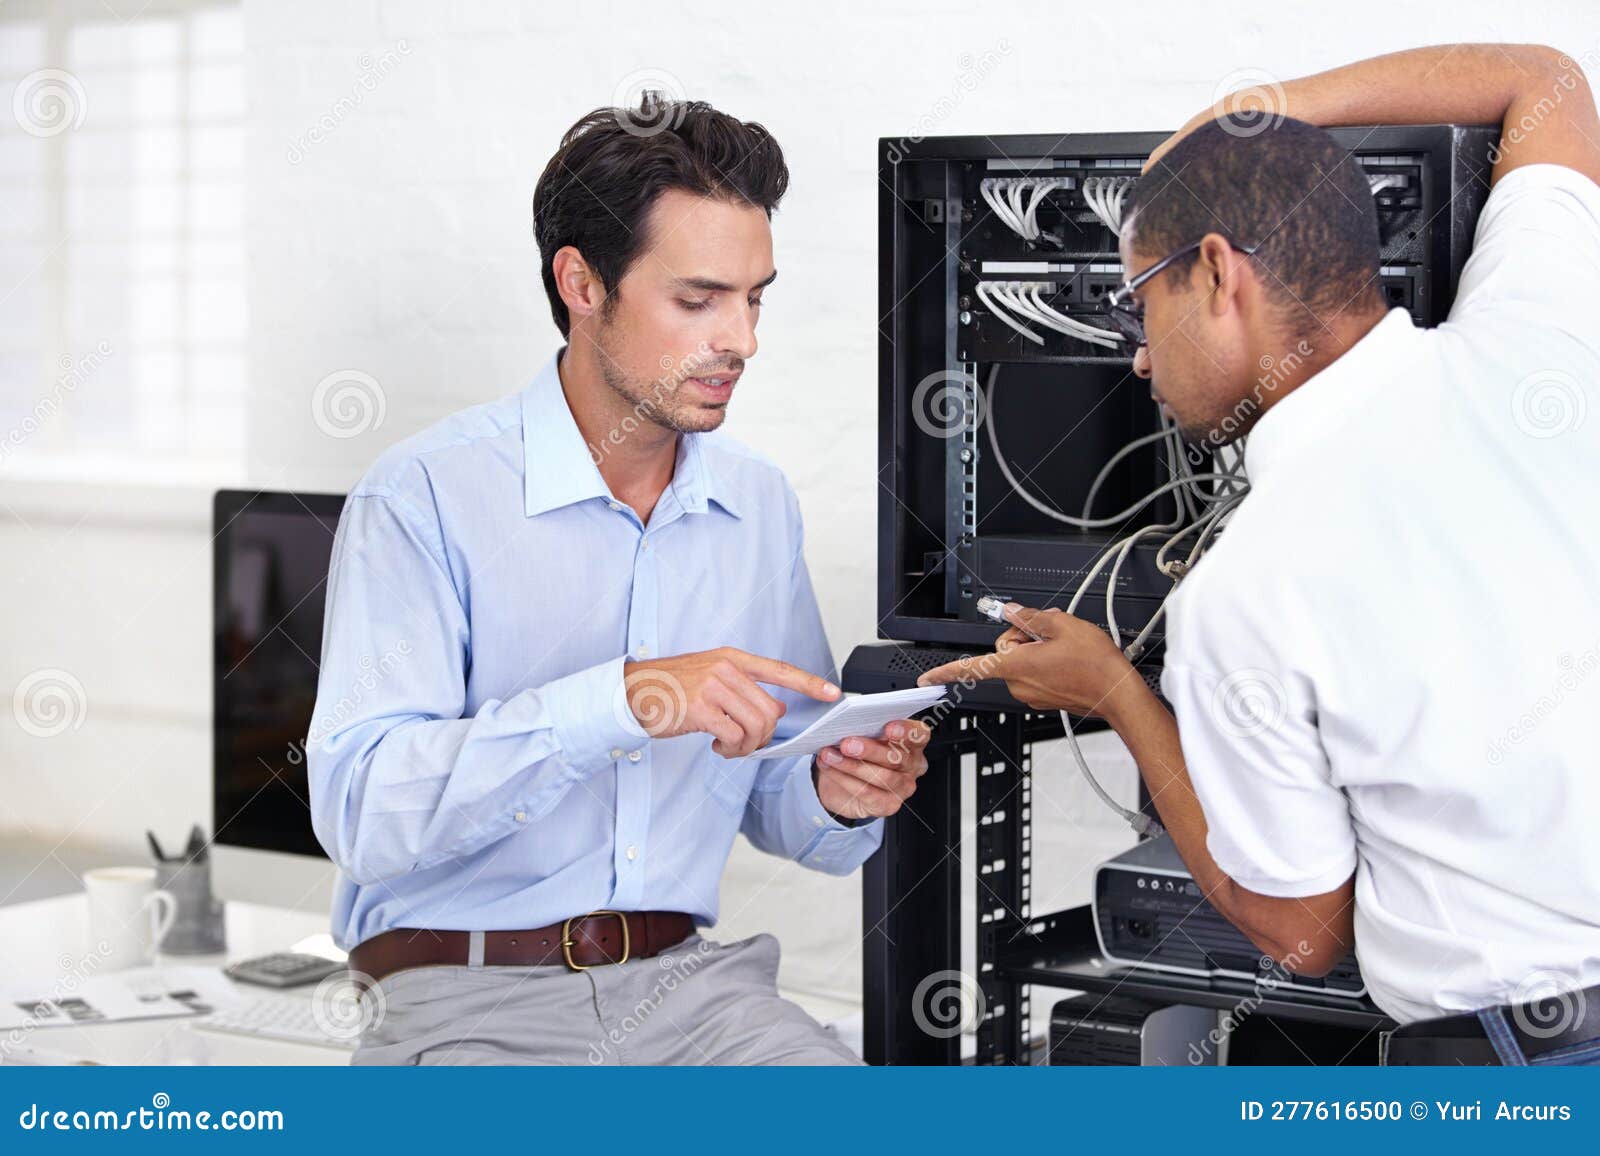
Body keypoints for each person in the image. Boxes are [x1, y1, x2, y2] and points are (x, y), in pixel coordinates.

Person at [922, 43, 1600, 1065]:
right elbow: (1545, 78)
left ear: (1214, 271)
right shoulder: (1543, 329)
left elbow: (1302, 931)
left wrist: (1115, 691)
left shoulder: (1250, 585)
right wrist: (1256, 111)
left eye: (1136, 300)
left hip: (1520, 1065)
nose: (1139, 352)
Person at [308, 94, 929, 1065]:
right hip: (462, 1003)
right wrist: (624, 699)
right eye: (698, 300)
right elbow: (361, 812)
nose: (743, 339)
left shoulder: (757, 507)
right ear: (582, 283)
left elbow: (776, 794)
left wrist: (837, 787)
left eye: (754, 296)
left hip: (695, 999)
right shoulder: (425, 497)